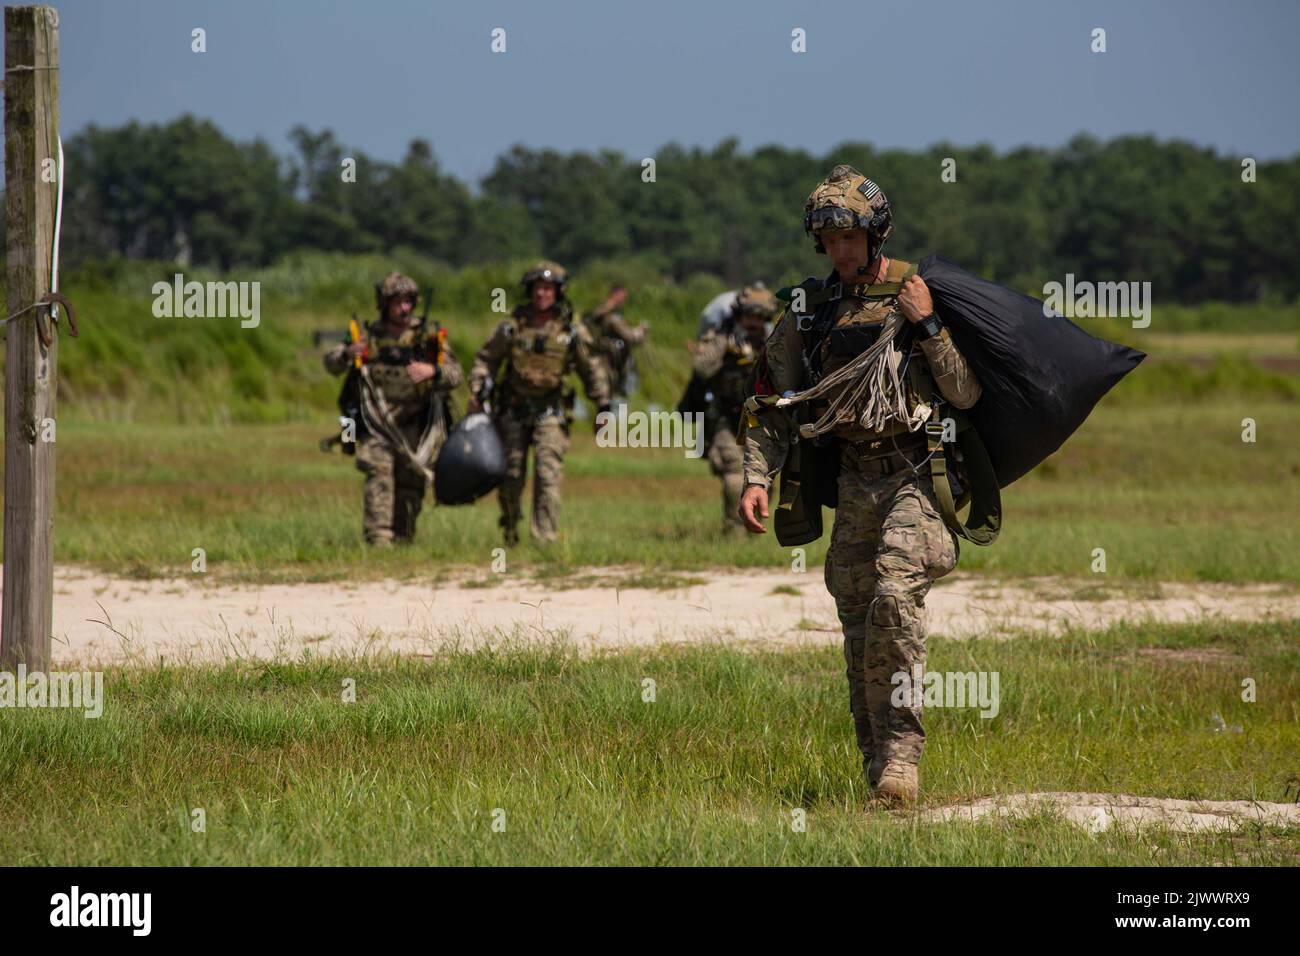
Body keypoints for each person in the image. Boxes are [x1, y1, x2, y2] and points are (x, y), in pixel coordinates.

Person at [740, 166, 982, 806]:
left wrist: (928, 326)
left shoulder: (917, 294)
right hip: (852, 480)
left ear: (876, 235)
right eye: (830, 239)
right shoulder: (811, 310)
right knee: (857, 621)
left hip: (914, 474)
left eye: (851, 236)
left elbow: (963, 391)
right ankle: (877, 766)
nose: (841, 250)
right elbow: (771, 399)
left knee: (894, 599)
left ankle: (902, 759)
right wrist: (755, 478)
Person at [467, 260, 610, 545]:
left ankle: (545, 538)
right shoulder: (511, 327)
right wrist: (478, 389)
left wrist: (603, 406)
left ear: (558, 292)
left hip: (551, 412)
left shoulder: (570, 331)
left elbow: (591, 368)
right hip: (513, 411)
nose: (542, 295)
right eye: (537, 288)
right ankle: (510, 527)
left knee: (548, 474)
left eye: (548, 289)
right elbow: (487, 359)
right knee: (510, 475)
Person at [323, 272, 463, 546]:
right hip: (376, 426)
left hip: (416, 428)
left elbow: (456, 374)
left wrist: (432, 371)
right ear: (384, 304)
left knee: (411, 484)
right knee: (380, 474)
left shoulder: (429, 340)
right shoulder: (367, 339)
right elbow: (331, 364)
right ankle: (379, 539)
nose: (404, 308)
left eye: (408, 302)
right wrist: (347, 354)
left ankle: (402, 540)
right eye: (397, 302)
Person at [686, 284, 777, 533]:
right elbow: (702, 368)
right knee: (734, 474)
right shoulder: (722, 337)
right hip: (728, 418)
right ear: (738, 314)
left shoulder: (773, 340)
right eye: (749, 315)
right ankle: (734, 533)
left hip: (764, 418)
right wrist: (723, 342)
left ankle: (754, 531)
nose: (753, 322)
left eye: (759, 317)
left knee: (766, 478)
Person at [584, 285, 647, 402]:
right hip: (608, 359)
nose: (624, 300)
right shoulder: (609, 312)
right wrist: (640, 332)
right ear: (616, 295)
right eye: (623, 297)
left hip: (611, 357)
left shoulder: (606, 311)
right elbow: (628, 336)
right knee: (609, 393)